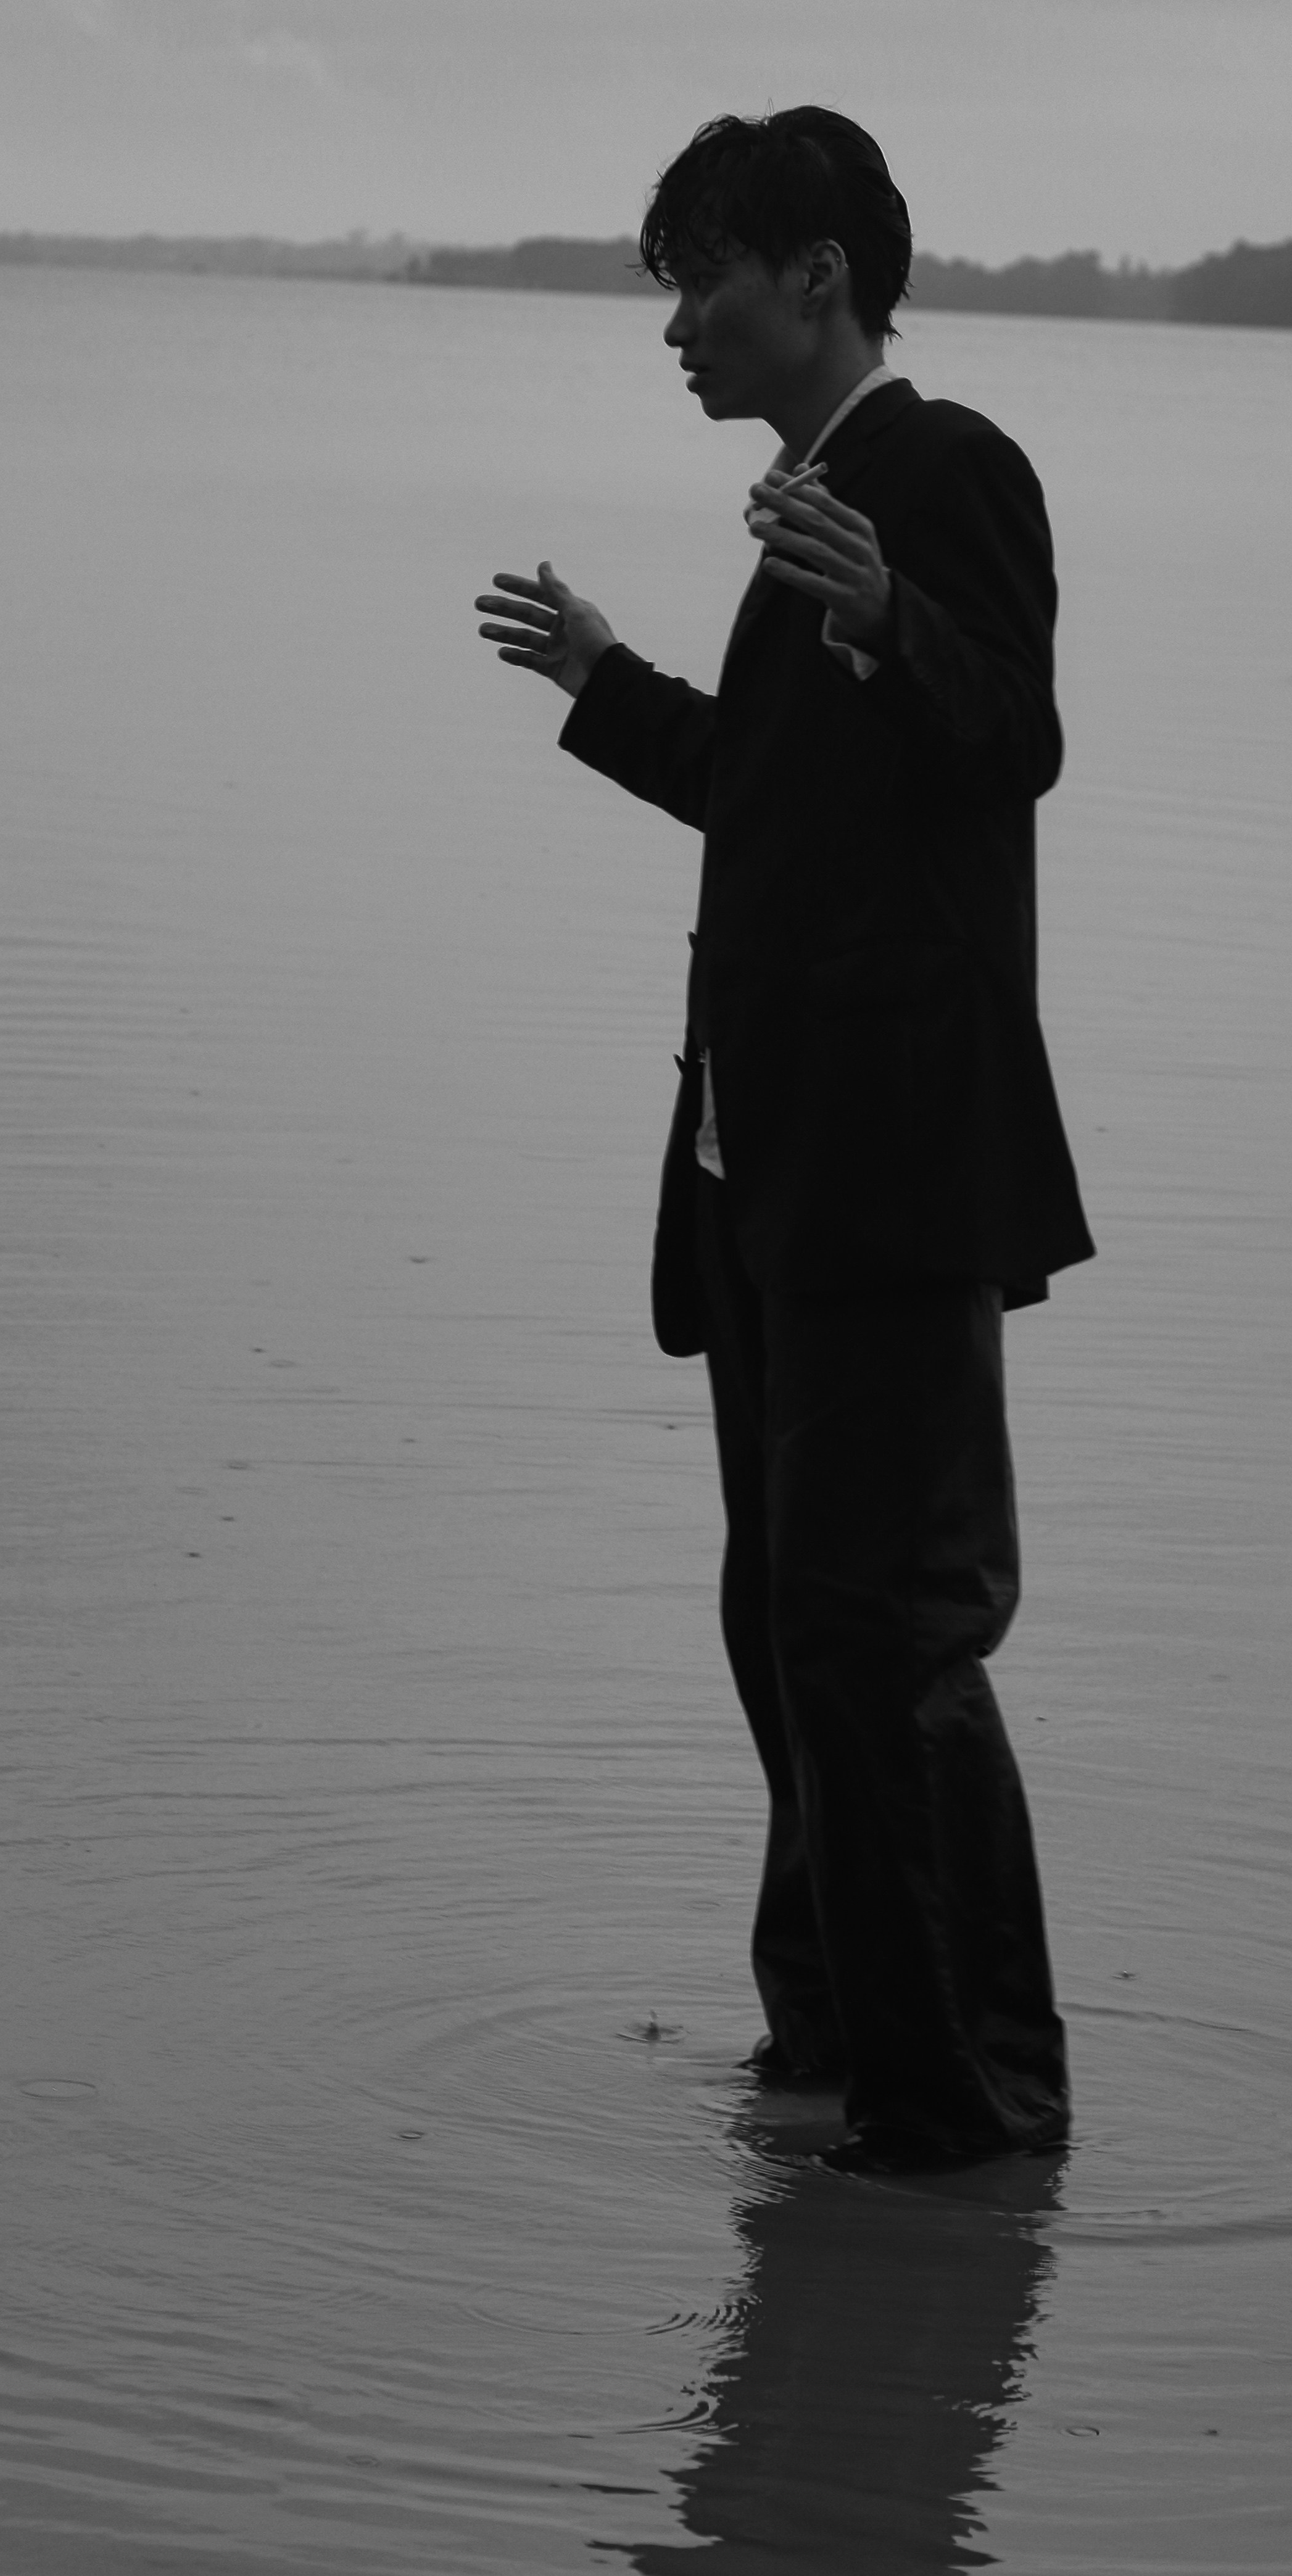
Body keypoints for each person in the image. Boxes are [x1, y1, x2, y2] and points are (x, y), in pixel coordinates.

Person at [475, 106, 1092, 2172]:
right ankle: (829, 2052)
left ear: (818, 276)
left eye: (703, 281)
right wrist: (606, 681)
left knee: (891, 1636)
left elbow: (1013, 737)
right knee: (789, 1627)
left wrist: (892, 615)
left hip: (894, 1178)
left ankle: (967, 2105)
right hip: (766, 1181)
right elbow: (774, 795)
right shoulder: (812, 507)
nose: (678, 326)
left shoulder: (946, 471)